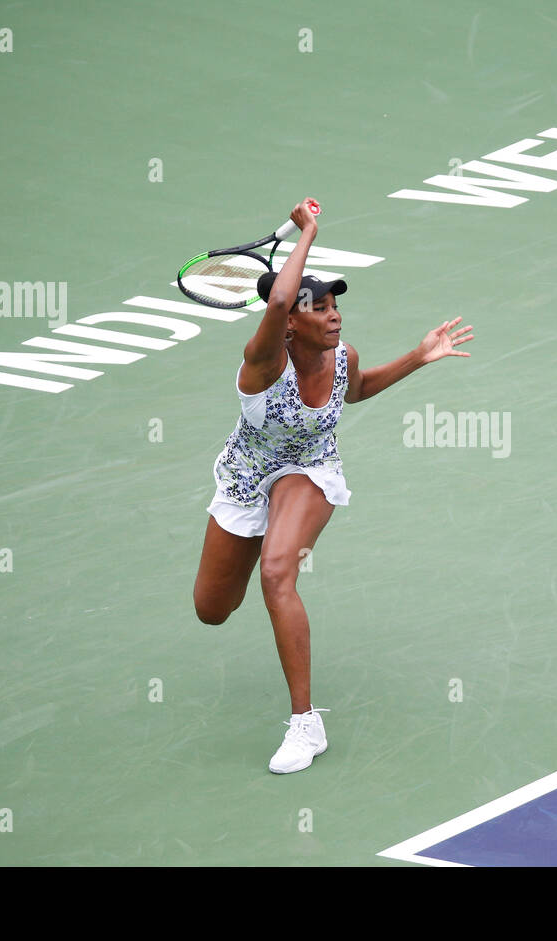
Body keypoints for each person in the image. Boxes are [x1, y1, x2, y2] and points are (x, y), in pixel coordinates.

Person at [192, 197, 474, 773]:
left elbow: (360, 387)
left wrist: (420, 357)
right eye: (317, 308)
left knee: (277, 572)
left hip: (309, 470)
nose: (333, 314)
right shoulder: (262, 365)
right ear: (289, 322)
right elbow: (274, 299)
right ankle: (257, 549)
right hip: (246, 477)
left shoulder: (341, 355)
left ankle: (305, 725)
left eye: (334, 304)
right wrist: (309, 234)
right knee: (211, 609)